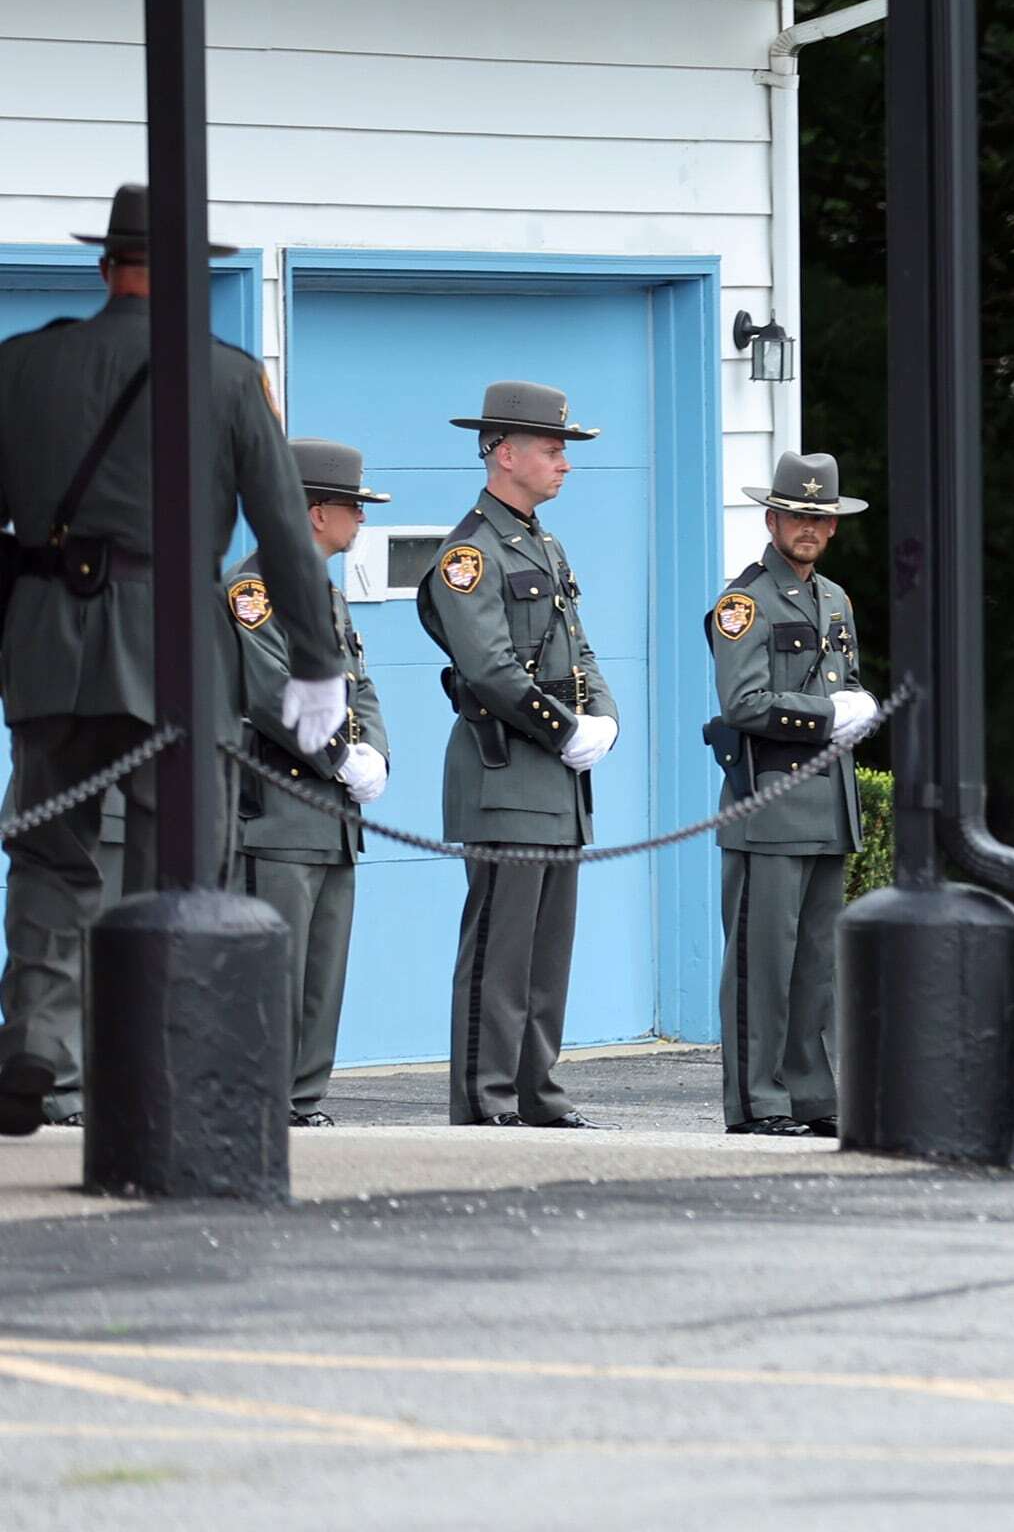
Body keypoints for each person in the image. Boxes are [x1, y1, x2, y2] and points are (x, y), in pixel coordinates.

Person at [0, 184, 349, 1138]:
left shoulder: (20, 366)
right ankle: (152, 1062)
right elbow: (285, 532)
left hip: (45, 640)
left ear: (105, 266)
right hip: (169, 646)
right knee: (175, 862)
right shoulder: (228, 378)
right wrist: (319, 663)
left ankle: (34, 1040)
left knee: (47, 850)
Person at [420, 381, 619, 1129]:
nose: (565, 461)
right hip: (505, 771)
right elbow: (491, 669)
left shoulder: (545, 543)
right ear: (505, 454)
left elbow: (580, 647)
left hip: (556, 786)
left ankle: (537, 1092)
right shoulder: (470, 554)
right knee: (498, 956)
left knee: (546, 955)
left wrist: (604, 715)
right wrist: (563, 726)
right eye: (552, 447)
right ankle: (486, 1097)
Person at [707, 452, 877, 1137]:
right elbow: (742, 701)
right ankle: (759, 1100)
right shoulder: (744, 602)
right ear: (771, 518)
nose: (807, 528)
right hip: (770, 802)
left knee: (816, 967)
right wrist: (827, 716)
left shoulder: (835, 599)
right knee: (761, 966)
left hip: (828, 804)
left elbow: (849, 681)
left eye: (819, 517)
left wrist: (855, 708)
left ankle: (810, 1093)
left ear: (832, 528)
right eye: (796, 515)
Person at [228, 438, 391, 1127]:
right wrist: (338, 757)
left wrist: (374, 753)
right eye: (351, 506)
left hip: (333, 817)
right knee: (276, 973)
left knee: (322, 974)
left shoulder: (321, 593)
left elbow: (362, 685)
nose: (359, 519)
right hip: (281, 811)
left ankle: (301, 1100)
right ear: (314, 511)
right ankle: (260, 1099)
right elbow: (272, 692)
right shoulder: (253, 591)